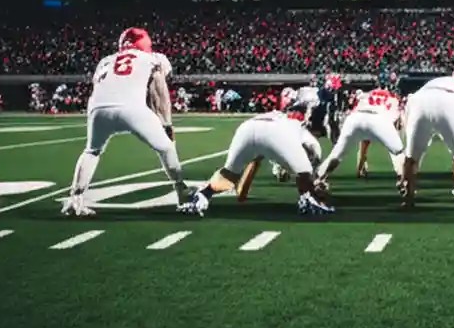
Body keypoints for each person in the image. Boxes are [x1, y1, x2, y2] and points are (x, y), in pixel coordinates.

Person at [61, 27, 190, 217]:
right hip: (132, 108)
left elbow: (100, 85)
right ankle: (182, 193)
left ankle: (75, 199)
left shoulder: (105, 60)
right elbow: (159, 87)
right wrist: (166, 123)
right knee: (166, 147)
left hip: (98, 108)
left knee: (92, 151)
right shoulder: (154, 58)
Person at [182, 110, 333, 216]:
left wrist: (241, 194)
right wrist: (316, 185)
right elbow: (311, 160)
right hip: (276, 131)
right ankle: (308, 200)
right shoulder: (300, 131)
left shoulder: (287, 122)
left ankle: (203, 194)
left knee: (228, 175)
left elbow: (251, 168)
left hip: (247, 128)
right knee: (305, 172)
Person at [400, 65, 454, 209]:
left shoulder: (439, 80)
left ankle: (408, 196)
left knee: (411, 158)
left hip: (419, 100)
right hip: (451, 103)